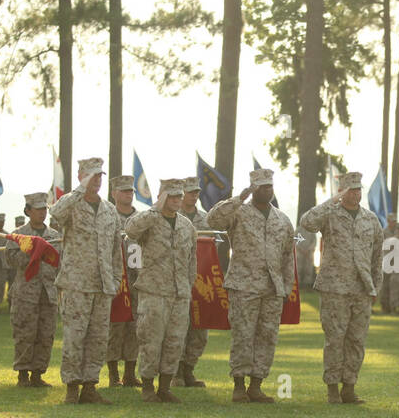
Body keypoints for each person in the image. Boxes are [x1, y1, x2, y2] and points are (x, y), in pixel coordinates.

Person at [205, 167, 295, 402]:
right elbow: (212, 219)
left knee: (267, 337)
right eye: (261, 187)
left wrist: (286, 287)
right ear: (253, 189)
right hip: (244, 285)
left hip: (272, 288)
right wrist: (239, 198)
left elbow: (288, 256)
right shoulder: (239, 213)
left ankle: (256, 385)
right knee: (243, 335)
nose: (267, 190)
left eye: (269, 186)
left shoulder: (282, 220)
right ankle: (238, 385)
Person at [299, 171, 383, 404]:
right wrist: (332, 201)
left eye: (358, 190)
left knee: (356, 340)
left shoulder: (370, 219)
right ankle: (332, 388)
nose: (355, 194)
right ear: (341, 192)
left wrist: (375, 287)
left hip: (361, 289)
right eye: (350, 190)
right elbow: (307, 222)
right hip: (334, 288)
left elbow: (377, 256)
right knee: (335, 339)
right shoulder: (330, 214)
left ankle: (349, 387)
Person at [50, 157, 121, 405]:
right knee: (75, 336)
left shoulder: (109, 210)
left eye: (100, 176)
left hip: (103, 284)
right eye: (92, 175)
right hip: (76, 283)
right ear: (81, 176)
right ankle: (72, 387)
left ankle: (90, 386)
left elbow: (115, 249)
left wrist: (116, 279)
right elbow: (55, 214)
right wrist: (79, 189)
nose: (97, 180)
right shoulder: (72, 204)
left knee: (98, 338)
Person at [125, 178, 195, 404]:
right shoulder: (150, 220)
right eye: (171, 196)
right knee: (151, 340)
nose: (176, 200)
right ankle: (147, 386)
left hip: (179, 293)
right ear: (161, 196)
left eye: (179, 196)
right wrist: (155, 208)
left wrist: (188, 286)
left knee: (175, 341)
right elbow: (130, 230)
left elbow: (191, 260)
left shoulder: (186, 226)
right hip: (154, 291)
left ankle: (165, 387)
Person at [8, 193, 60, 387]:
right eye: (37, 209)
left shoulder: (54, 236)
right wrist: (30, 251)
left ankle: (38, 374)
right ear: (28, 211)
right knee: (25, 333)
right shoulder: (19, 235)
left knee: (46, 334)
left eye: (44, 209)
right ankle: (22, 374)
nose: (42, 213)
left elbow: (60, 262)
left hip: (48, 293)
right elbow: (11, 260)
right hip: (25, 293)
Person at [105, 174, 142, 388]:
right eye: (124, 191)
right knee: (114, 326)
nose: (129, 194)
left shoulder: (141, 219)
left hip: (137, 281)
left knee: (134, 326)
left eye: (131, 191)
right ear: (114, 194)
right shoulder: (108, 217)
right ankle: (113, 375)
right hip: (116, 280)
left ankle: (130, 374)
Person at [178, 177, 211, 387]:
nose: (194, 196)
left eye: (196, 192)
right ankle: (176, 372)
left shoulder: (206, 219)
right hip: (178, 278)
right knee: (178, 327)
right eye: (190, 192)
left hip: (202, 280)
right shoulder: (172, 217)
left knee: (200, 329)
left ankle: (189, 370)